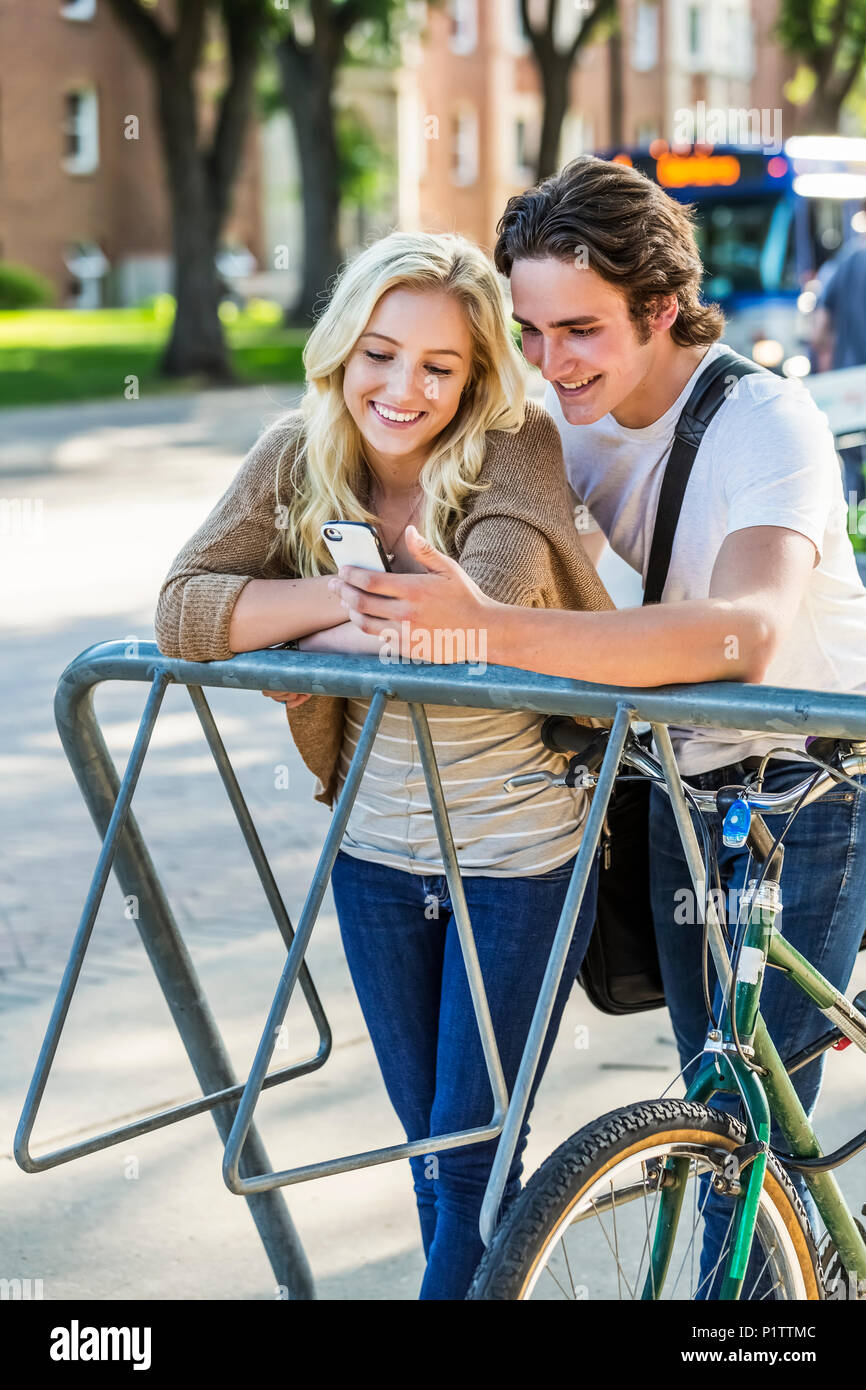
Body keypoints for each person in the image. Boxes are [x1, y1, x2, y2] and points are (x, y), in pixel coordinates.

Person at [331, 158, 866, 1295]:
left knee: (743, 1128)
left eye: (579, 331)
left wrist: (481, 632)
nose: (550, 364)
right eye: (528, 332)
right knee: (707, 1083)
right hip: (675, 786)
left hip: (807, 785)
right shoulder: (554, 428)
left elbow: (741, 636)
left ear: (661, 308)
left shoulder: (765, 422)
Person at [154, 230, 616, 1300]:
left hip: (519, 853)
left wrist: (278, 636)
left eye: (438, 366)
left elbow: (467, 623)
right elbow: (183, 612)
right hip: (372, 853)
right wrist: (324, 611)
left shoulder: (516, 448)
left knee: (468, 1157)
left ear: (474, 376)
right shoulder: (295, 452)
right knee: (431, 1155)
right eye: (379, 353)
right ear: (340, 351)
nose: (402, 388)